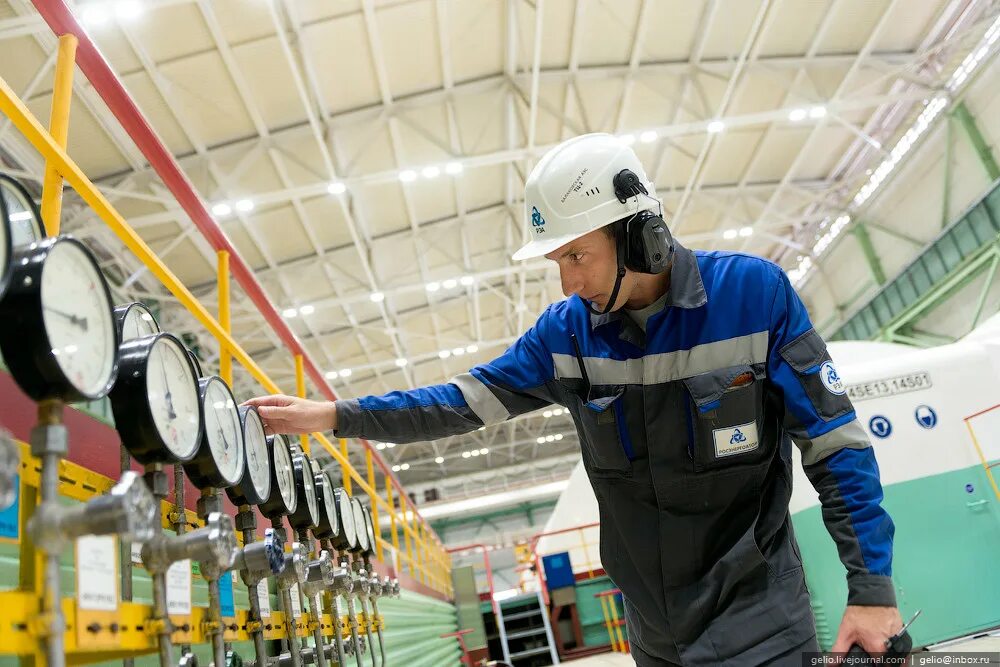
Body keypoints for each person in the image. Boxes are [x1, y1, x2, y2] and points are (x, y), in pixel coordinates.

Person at [246, 133, 902, 665]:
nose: (567, 282)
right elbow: (458, 403)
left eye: (577, 255)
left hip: (760, 624)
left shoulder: (754, 299)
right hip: (655, 636)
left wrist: (870, 589)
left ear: (641, 234)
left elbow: (834, 445)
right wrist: (335, 416)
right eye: (557, 262)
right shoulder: (564, 338)